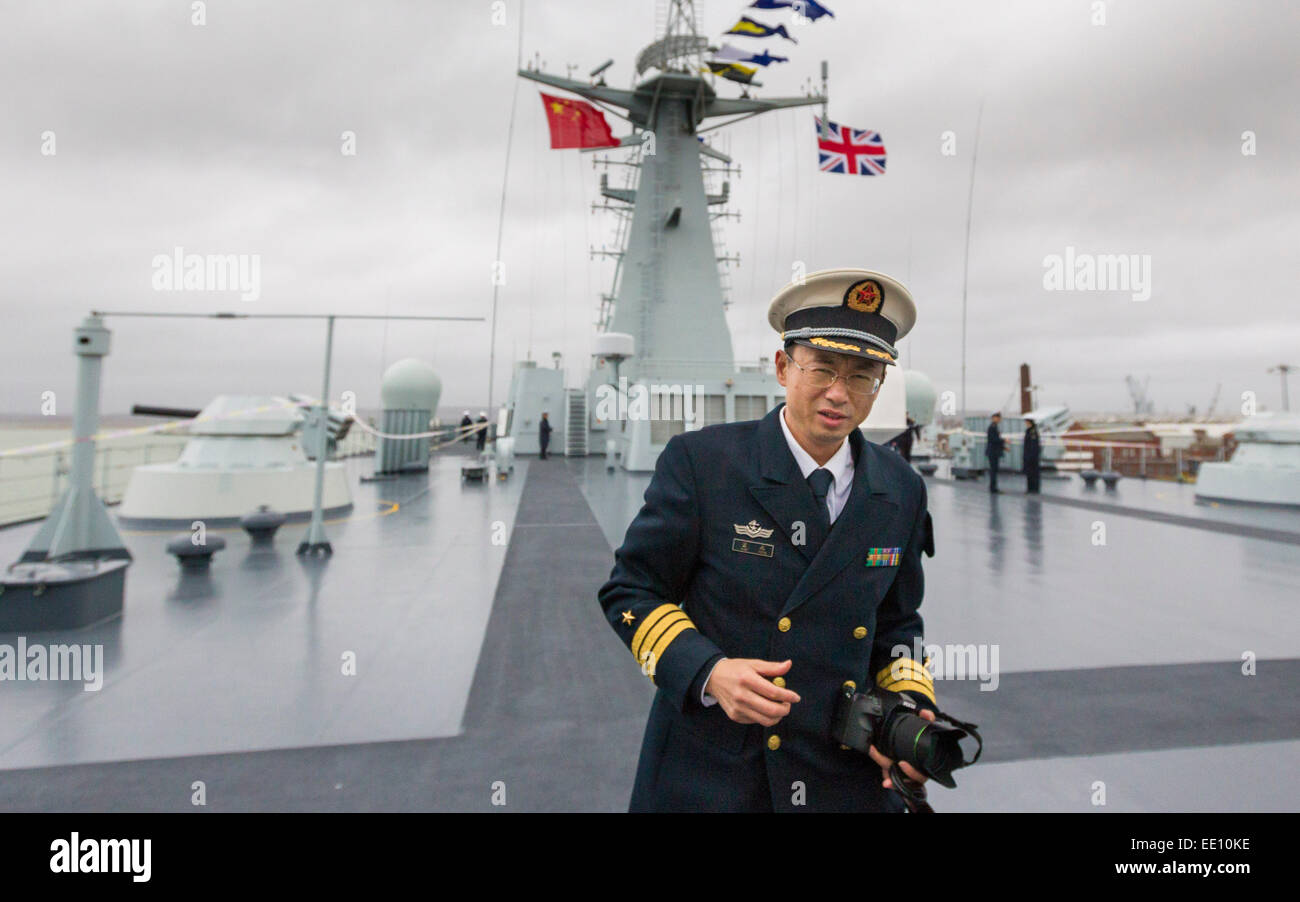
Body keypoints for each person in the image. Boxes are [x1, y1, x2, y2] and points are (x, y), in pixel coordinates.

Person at [598, 268, 938, 813]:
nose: (838, 393)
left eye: (862, 375)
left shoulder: (901, 490)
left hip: (842, 773)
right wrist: (710, 671)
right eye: (822, 367)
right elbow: (631, 592)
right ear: (783, 367)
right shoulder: (703, 463)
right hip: (716, 771)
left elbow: (898, 623)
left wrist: (908, 708)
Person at [985, 412, 1005, 494]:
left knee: (994, 470)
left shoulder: (994, 427)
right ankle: (993, 488)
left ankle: (993, 487)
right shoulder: (992, 427)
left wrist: (1003, 447)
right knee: (993, 470)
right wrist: (1004, 440)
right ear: (994, 418)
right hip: (993, 452)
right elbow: (994, 440)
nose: (999, 419)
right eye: (998, 418)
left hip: (994, 451)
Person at [1023, 417, 1042, 494]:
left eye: (1027, 422)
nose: (1026, 424)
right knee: (1029, 473)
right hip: (1028, 455)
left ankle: (1034, 489)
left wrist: (1031, 456)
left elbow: (1033, 445)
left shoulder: (1033, 432)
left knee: (1034, 473)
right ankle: (1030, 488)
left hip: (1032, 456)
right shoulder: (1028, 431)